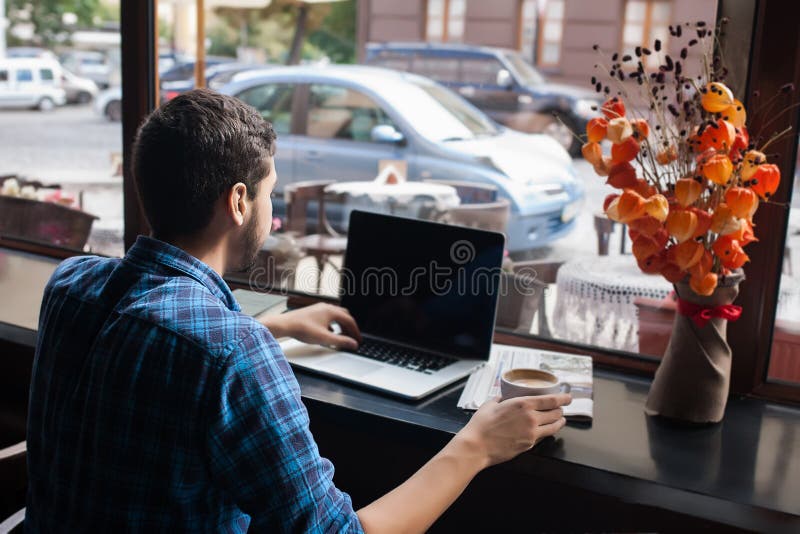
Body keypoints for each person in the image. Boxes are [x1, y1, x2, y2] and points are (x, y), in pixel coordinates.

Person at [26, 89, 571, 532]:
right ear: (238, 202)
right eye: (269, 193)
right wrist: (475, 445)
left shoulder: (72, 283)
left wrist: (277, 321)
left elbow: (153, 326)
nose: (272, 211)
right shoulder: (233, 353)